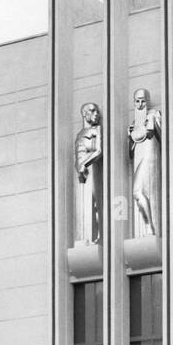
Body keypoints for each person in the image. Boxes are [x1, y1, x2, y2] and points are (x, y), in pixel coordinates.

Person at [128, 87, 162, 236]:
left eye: (143, 101)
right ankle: (146, 226)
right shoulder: (135, 123)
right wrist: (130, 136)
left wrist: (153, 123)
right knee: (138, 193)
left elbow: (161, 136)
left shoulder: (153, 114)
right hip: (138, 157)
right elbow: (130, 152)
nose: (140, 104)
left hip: (149, 156)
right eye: (137, 101)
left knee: (138, 191)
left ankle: (150, 227)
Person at [73, 102, 102, 244]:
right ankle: (83, 238)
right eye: (92, 111)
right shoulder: (80, 134)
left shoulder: (97, 131)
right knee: (82, 206)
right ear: (84, 113)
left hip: (90, 168)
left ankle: (95, 238)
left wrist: (84, 164)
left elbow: (98, 151)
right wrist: (79, 165)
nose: (96, 114)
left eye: (97, 111)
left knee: (93, 202)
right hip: (81, 173)